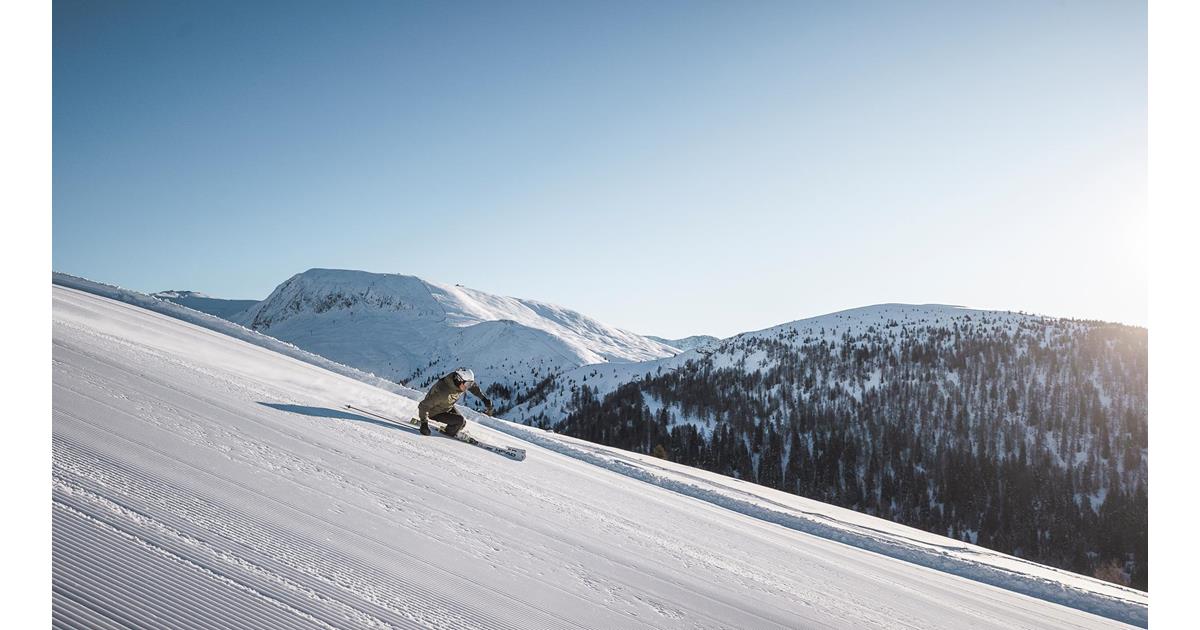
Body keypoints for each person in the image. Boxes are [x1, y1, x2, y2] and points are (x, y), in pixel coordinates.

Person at [417, 368, 493, 437]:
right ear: (459, 379)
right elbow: (423, 405)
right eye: (467, 384)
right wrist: (424, 423)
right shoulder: (443, 393)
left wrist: (484, 399)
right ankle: (447, 435)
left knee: (462, 424)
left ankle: (451, 429)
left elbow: (473, 387)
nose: (468, 387)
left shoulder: (458, 383)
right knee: (459, 421)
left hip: (445, 406)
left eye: (469, 384)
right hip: (434, 412)